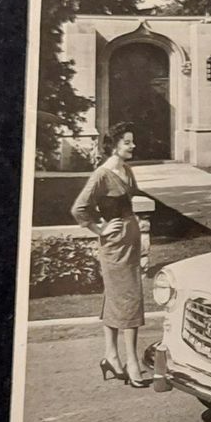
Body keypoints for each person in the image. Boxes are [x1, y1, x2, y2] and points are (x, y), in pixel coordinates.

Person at [71, 122, 150, 388]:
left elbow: (131, 201)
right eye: (127, 142)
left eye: (132, 141)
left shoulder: (126, 170)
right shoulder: (102, 175)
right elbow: (79, 208)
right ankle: (132, 362)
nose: (133, 145)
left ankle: (111, 356)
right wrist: (100, 228)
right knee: (129, 298)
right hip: (114, 243)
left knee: (117, 297)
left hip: (130, 239)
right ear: (114, 145)